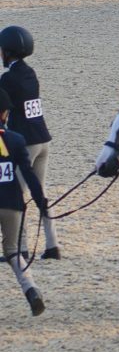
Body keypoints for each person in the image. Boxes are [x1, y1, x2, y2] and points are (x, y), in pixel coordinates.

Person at [0, 25, 58, 261]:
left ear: (8, 51)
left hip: (25, 142)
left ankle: (20, 248)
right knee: (40, 193)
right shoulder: (30, 73)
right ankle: (53, 244)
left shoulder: (8, 78)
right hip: (43, 138)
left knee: (16, 194)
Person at [0, 87, 50, 317]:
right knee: (12, 251)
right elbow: (29, 176)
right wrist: (40, 202)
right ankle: (31, 289)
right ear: (5, 114)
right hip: (12, 203)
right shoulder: (17, 140)